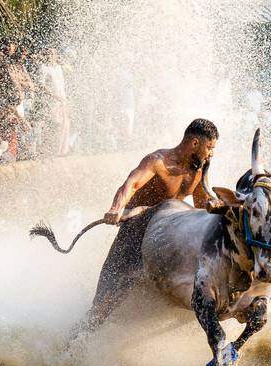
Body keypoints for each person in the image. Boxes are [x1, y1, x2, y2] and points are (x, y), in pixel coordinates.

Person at [89, 118, 220, 328]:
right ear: (195, 143)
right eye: (210, 148)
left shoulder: (199, 171)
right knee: (103, 304)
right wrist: (116, 208)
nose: (211, 154)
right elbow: (131, 184)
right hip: (136, 231)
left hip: (165, 237)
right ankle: (77, 341)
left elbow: (202, 208)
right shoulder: (158, 161)